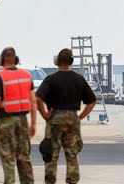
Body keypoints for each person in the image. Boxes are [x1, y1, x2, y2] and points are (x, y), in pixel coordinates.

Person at [36, 49, 98, 184]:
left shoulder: (50, 79)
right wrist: (80, 117)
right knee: (72, 155)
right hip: (72, 119)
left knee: (51, 154)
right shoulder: (79, 79)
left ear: (57, 61)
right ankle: (72, 181)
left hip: (54, 119)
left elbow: (38, 99)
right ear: (71, 61)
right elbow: (92, 101)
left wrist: (45, 115)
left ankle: (50, 181)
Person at [0, 46, 37, 184]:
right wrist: (33, 123)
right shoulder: (27, 75)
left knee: (8, 158)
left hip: (5, 122)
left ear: (1, 60)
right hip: (23, 121)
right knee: (24, 158)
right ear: (16, 60)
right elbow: (33, 102)